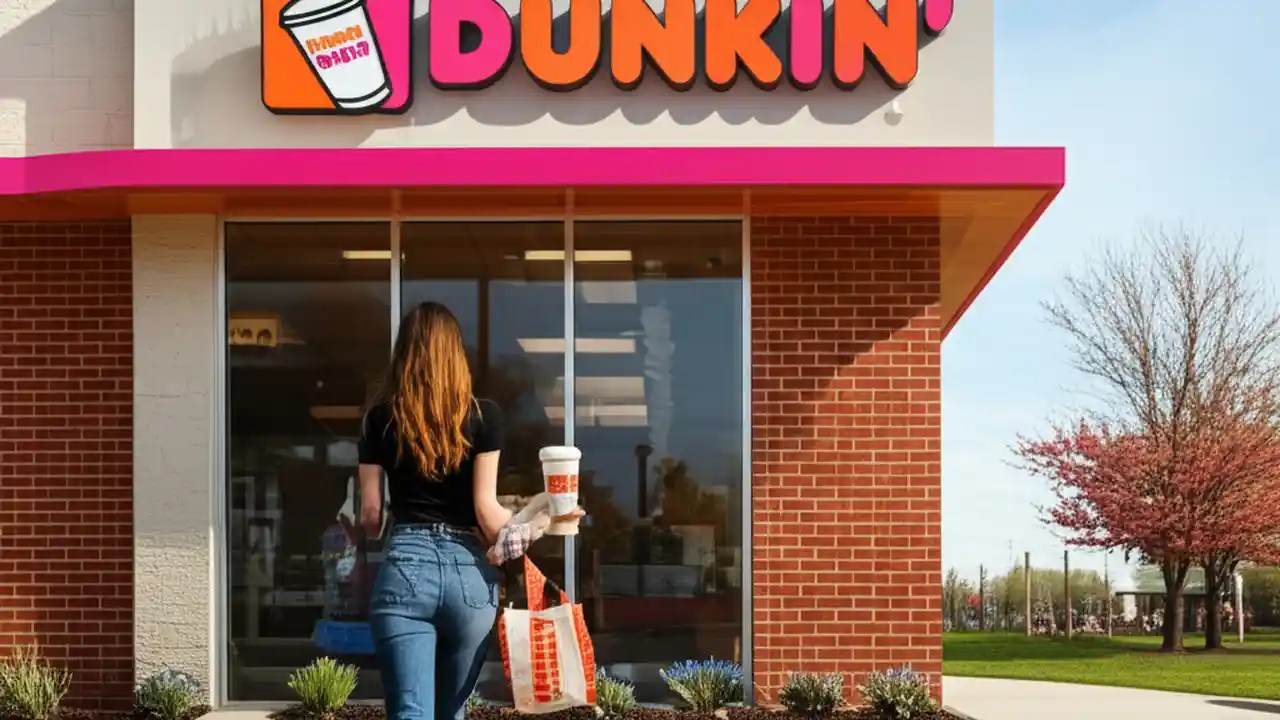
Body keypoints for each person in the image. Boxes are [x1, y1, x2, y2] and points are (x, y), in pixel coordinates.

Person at [356, 302, 578, 720]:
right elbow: (485, 511)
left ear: (404, 353)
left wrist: (366, 527)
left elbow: (371, 514)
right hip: (469, 577)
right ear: (455, 354)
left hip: (406, 565)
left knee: (409, 711)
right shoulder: (483, 416)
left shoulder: (378, 420)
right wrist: (545, 518)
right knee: (452, 714)